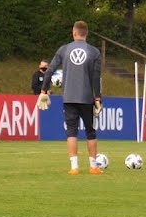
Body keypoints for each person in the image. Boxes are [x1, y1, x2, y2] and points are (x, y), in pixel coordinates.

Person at [38, 21, 104, 175]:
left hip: (68, 97)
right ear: (85, 34)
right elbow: (96, 77)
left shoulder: (64, 49)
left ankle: (74, 167)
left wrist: (43, 90)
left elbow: (49, 71)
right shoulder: (94, 52)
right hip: (87, 98)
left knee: (71, 132)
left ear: (74, 33)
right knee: (91, 132)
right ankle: (93, 166)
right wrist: (98, 99)